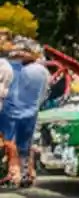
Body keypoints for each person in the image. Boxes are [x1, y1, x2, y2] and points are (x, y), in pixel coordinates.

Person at [0, 40, 51, 188]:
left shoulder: (13, 68)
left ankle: (15, 174)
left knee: (12, 144)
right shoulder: (41, 71)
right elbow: (44, 93)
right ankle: (27, 174)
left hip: (13, 111)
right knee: (26, 145)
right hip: (31, 111)